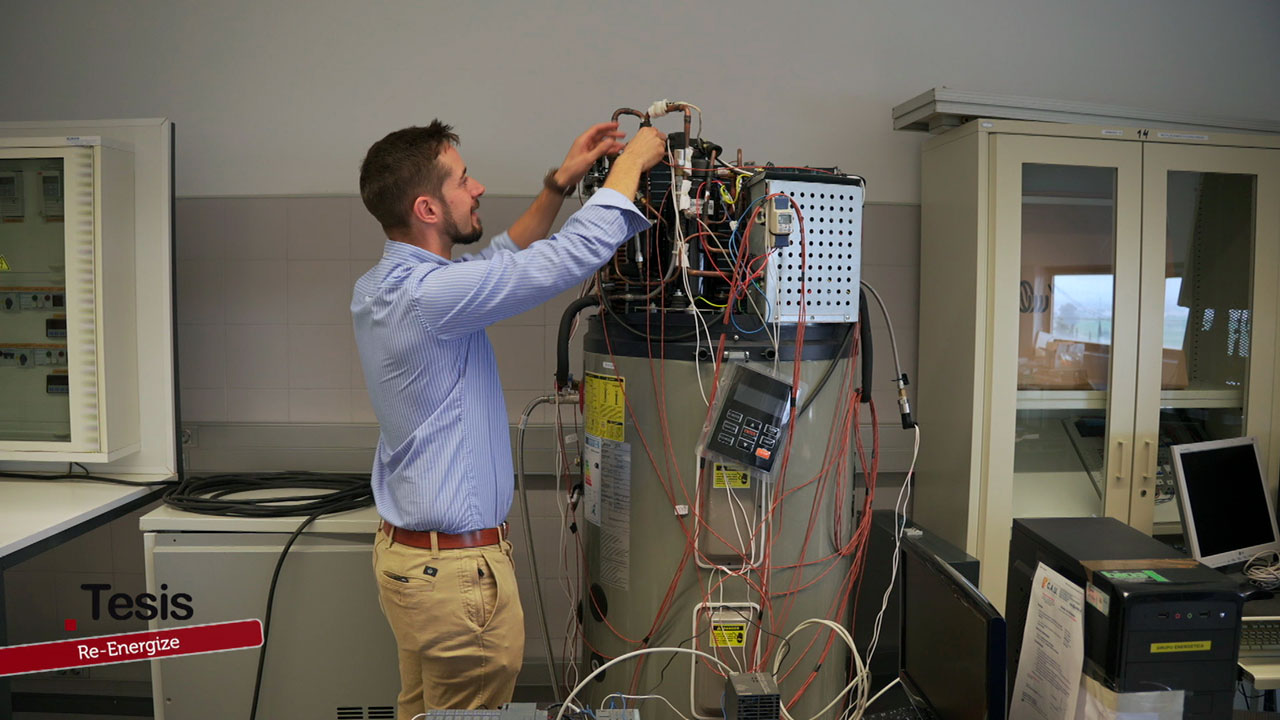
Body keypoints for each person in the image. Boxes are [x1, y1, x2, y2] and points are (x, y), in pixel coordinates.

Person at [351, 119, 666, 718]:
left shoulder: (388, 285)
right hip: (455, 578)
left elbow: (503, 255)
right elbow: (563, 259)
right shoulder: (429, 298)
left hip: (416, 565)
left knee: (425, 711)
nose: (478, 188)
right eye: (463, 180)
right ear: (427, 206)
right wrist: (632, 166)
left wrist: (559, 183)